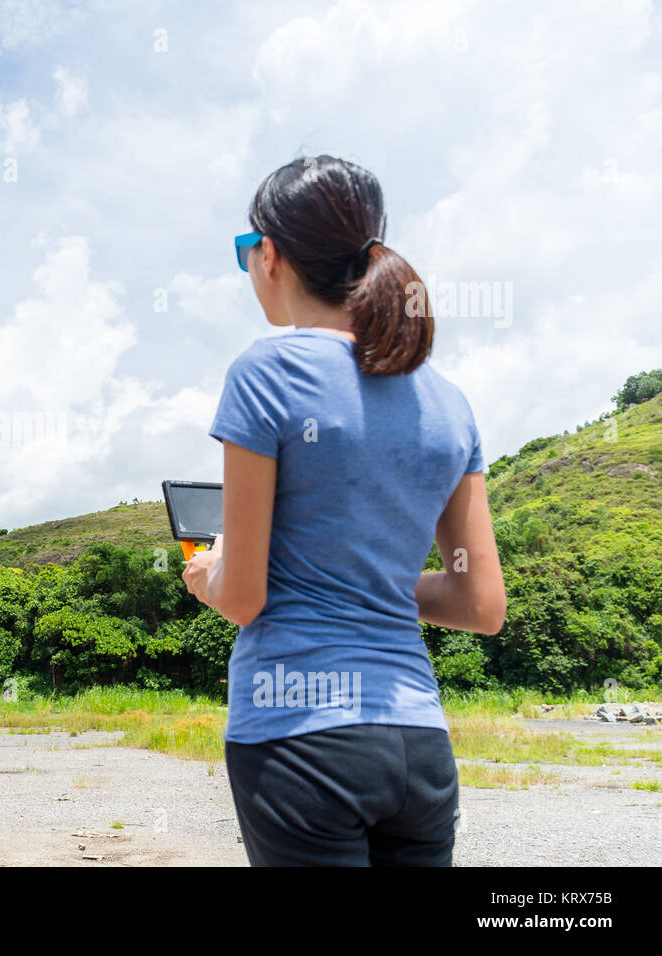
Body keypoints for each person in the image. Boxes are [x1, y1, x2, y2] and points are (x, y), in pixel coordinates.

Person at [181, 154, 506, 867]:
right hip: (419, 744)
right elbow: (480, 603)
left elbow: (244, 596)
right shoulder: (449, 403)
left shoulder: (267, 372)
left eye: (248, 251)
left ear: (270, 254)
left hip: (298, 736)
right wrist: (373, 582)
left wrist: (210, 574)